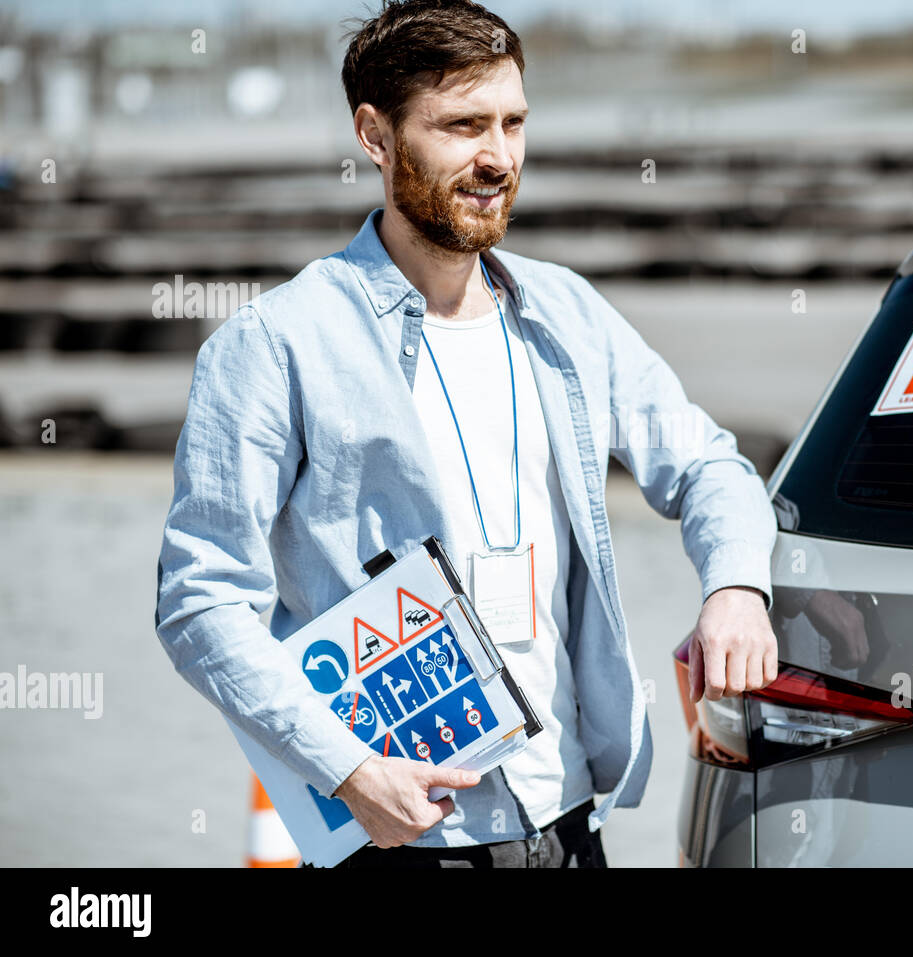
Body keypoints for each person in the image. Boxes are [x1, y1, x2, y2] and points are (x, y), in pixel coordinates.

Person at [154, 0, 778, 869]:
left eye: (513, 123)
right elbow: (202, 601)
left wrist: (737, 587)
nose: (498, 157)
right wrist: (347, 772)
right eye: (462, 126)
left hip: (569, 825)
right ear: (375, 136)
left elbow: (710, 463)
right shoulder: (274, 346)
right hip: (398, 836)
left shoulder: (568, 314)